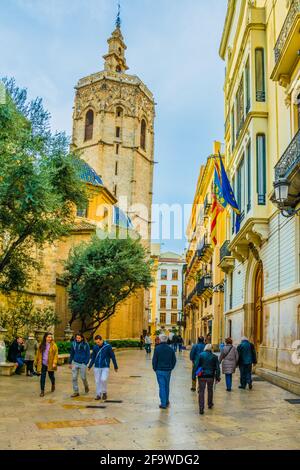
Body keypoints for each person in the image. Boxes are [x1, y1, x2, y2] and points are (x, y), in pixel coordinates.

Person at [88, 335, 118, 401]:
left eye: (98, 342)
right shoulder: (95, 347)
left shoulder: (108, 346)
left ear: (101, 340)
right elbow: (93, 357)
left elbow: (113, 356)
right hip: (97, 366)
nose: (97, 344)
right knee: (97, 381)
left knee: (103, 379)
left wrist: (115, 366)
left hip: (105, 366)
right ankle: (98, 394)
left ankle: (104, 392)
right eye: (96, 342)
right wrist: (90, 366)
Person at [152, 334, 176, 409]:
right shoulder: (170, 349)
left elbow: (154, 360)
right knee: (166, 385)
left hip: (159, 370)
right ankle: (166, 401)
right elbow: (174, 360)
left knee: (162, 386)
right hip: (168, 370)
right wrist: (171, 367)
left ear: (160, 340)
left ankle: (163, 403)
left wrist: (155, 368)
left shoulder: (157, 349)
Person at [195, 344, 220, 415]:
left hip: (202, 376)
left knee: (201, 391)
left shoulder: (200, 355)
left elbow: (196, 365)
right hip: (211, 376)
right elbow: (217, 368)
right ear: (211, 349)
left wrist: (194, 375)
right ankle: (209, 404)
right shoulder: (215, 357)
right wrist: (217, 377)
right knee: (210, 390)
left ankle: (201, 408)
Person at [35, 332, 58, 397]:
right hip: (43, 364)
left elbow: (56, 355)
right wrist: (36, 362)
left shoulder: (54, 345)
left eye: (51, 337)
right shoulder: (41, 345)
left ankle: (53, 384)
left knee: (51, 376)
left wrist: (54, 363)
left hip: (50, 364)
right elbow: (38, 354)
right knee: (42, 377)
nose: (50, 338)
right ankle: (42, 391)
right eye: (48, 337)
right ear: (45, 337)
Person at [69, 332, 90, 397]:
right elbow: (72, 353)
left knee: (83, 377)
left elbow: (88, 354)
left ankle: (86, 386)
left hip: (82, 364)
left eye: (79, 338)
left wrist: (85, 362)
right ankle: (76, 392)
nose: (77, 339)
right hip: (75, 362)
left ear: (82, 338)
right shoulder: (73, 344)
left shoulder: (85, 344)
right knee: (74, 378)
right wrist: (70, 362)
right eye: (77, 338)